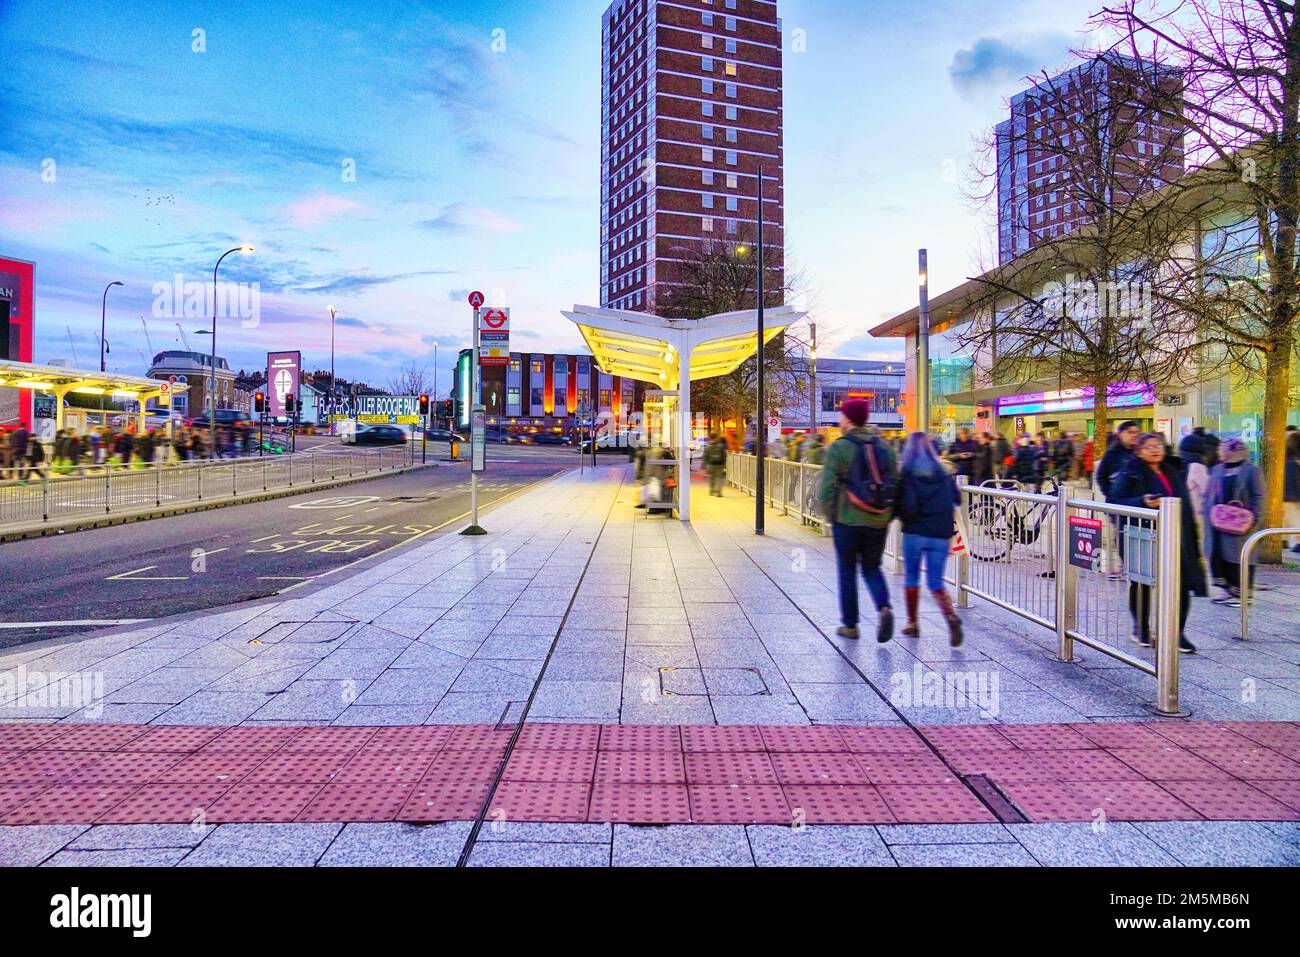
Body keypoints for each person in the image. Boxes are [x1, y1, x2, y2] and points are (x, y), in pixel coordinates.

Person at [1108, 432, 1205, 653]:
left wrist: (1194, 543)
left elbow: (1186, 507)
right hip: (1143, 536)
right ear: (1139, 451)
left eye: (1158, 445)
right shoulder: (1129, 472)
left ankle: (1177, 633)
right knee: (1142, 584)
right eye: (1149, 446)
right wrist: (1141, 502)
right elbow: (1114, 502)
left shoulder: (1174, 471)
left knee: (1181, 584)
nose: (1154, 449)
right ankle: (1141, 628)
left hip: (1177, 537)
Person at [817, 398, 897, 642]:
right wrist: (887, 515)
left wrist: (831, 515)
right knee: (872, 567)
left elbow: (826, 488)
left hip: (847, 519)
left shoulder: (839, 448)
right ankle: (884, 607)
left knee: (847, 570)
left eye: (842, 415)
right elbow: (895, 485)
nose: (840, 420)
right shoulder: (884, 447)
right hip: (878, 520)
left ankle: (850, 625)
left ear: (849, 419)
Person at [896, 431, 964, 646]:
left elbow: (906, 504)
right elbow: (957, 498)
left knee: (911, 579)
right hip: (940, 535)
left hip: (915, 533)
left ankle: (913, 623)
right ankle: (951, 617)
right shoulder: (944, 472)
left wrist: (904, 517)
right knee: (935, 582)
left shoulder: (907, 472)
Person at [1204, 437, 1264, 607]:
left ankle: (1243, 595)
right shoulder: (1217, 469)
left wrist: (1255, 519)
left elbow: (1259, 496)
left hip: (1241, 523)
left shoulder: (1251, 470)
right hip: (1218, 522)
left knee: (1239, 557)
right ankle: (1227, 590)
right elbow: (1209, 493)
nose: (1219, 451)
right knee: (1219, 556)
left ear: (1234, 450)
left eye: (1223, 448)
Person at [1096, 420, 1140, 498]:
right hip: (1117, 502)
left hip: (1138, 501)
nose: (1135, 435)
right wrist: (1110, 494)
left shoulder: (1141, 453)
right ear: (1120, 434)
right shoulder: (1112, 453)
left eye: (1137, 432)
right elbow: (1101, 476)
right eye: (1130, 432)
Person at [1286, 431, 1300, 555]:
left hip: (1290, 496)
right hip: (1292, 496)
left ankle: (1298, 543)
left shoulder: (1289, 460)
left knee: (1294, 520)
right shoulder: (1293, 459)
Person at [703, 432, 728, 497]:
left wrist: (704, 465)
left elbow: (705, 456)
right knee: (719, 478)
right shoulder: (721, 446)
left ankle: (712, 490)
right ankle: (719, 492)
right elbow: (724, 456)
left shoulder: (707, 446)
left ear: (710, 438)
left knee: (711, 478)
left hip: (710, 464)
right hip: (720, 464)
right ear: (716, 438)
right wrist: (724, 464)